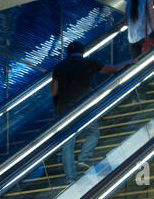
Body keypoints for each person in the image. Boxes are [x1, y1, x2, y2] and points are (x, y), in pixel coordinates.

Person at [51, 41, 131, 180]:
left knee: (68, 144)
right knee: (93, 132)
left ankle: (70, 178)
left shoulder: (59, 67)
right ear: (82, 52)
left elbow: (53, 91)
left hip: (64, 111)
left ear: (68, 53)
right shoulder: (88, 63)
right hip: (82, 109)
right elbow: (112, 69)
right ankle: (83, 159)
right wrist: (129, 62)